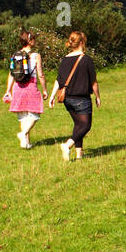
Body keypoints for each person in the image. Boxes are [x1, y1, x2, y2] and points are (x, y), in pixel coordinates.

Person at [48, 30, 101, 161]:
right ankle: (67, 145)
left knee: (78, 125)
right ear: (82, 42)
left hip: (67, 99)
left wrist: (52, 96)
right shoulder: (87, 60)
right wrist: (98, 96)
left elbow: (58, 80)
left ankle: (79, 155)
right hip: (81, 99)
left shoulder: (65, 59)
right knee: (85, 126)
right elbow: (93, 81)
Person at [2, 30, 45, 148]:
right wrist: (45, 89)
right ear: (29, 41)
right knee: (35, 114)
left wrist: (8, 90)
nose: (35, 41)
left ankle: (25, 143)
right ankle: (23, 134)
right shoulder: (36, 55)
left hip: (18, 87)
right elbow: (40, 74)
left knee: (23, 117)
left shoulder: (15, 55)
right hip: (31, 86)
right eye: (34, 39)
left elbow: (11, 74)